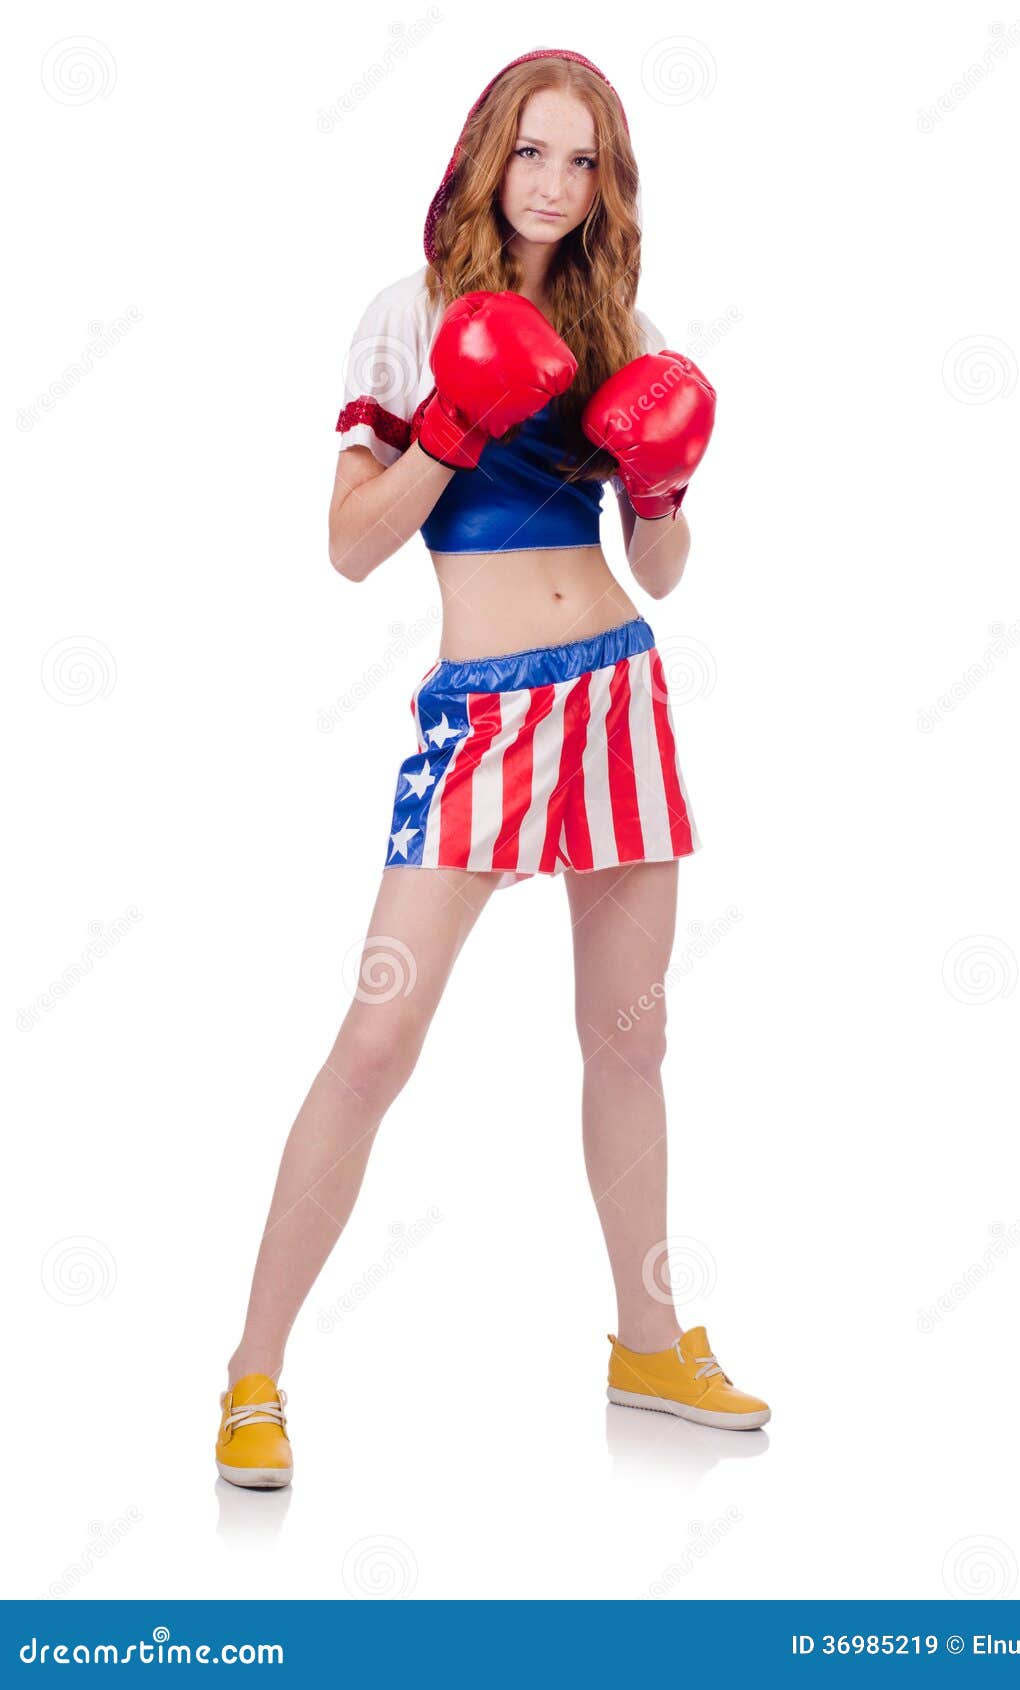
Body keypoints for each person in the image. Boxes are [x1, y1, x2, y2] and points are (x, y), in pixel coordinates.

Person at [215, 47, 770, 1492]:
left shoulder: (616, 320)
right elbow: (347, 546)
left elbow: (662, 568)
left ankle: (647, 1339)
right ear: (484, 156)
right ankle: (251, 1371)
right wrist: (453, 426)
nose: (553, 184)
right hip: (482, 716)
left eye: (582, 162)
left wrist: (660, 488)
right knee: (380, 1039)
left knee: (632, 1038)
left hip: (613, 697)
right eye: (533, 152)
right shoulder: (406, 319)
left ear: (605, 183)